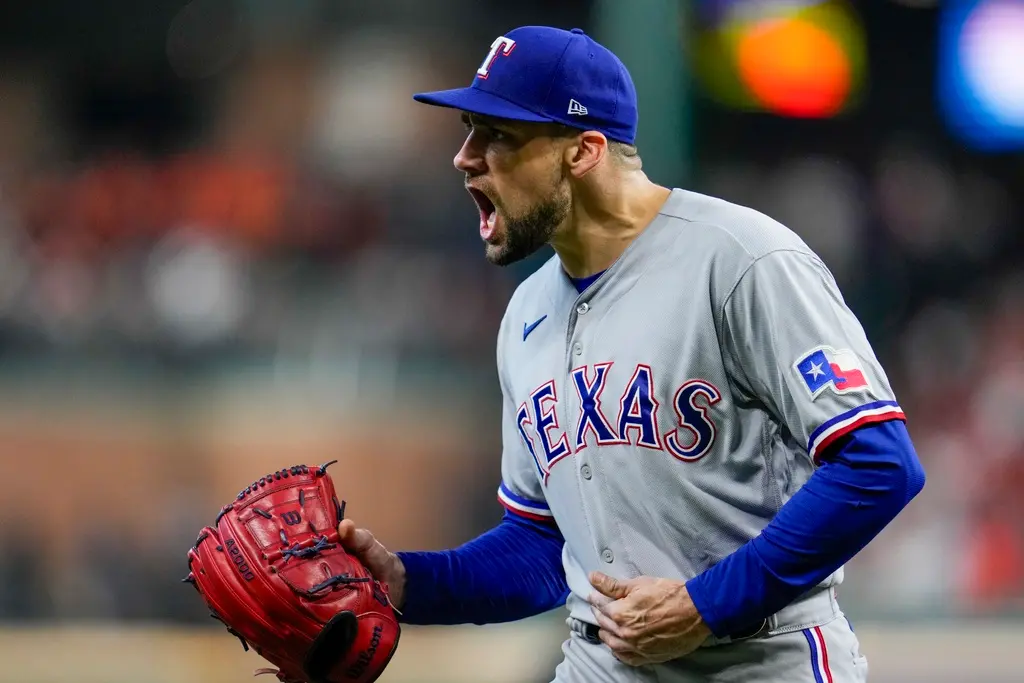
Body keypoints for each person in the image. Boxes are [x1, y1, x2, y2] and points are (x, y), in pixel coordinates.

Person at [337, 25, 925, 682]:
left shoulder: (741, 261)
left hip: (761, 661)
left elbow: (879, 464)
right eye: (469, 130)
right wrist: (409, 582)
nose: (464, 157)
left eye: (497, 134)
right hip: (600, 664)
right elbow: (543, 545)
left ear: (584, 151)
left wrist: (705, 606)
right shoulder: (527, 312)